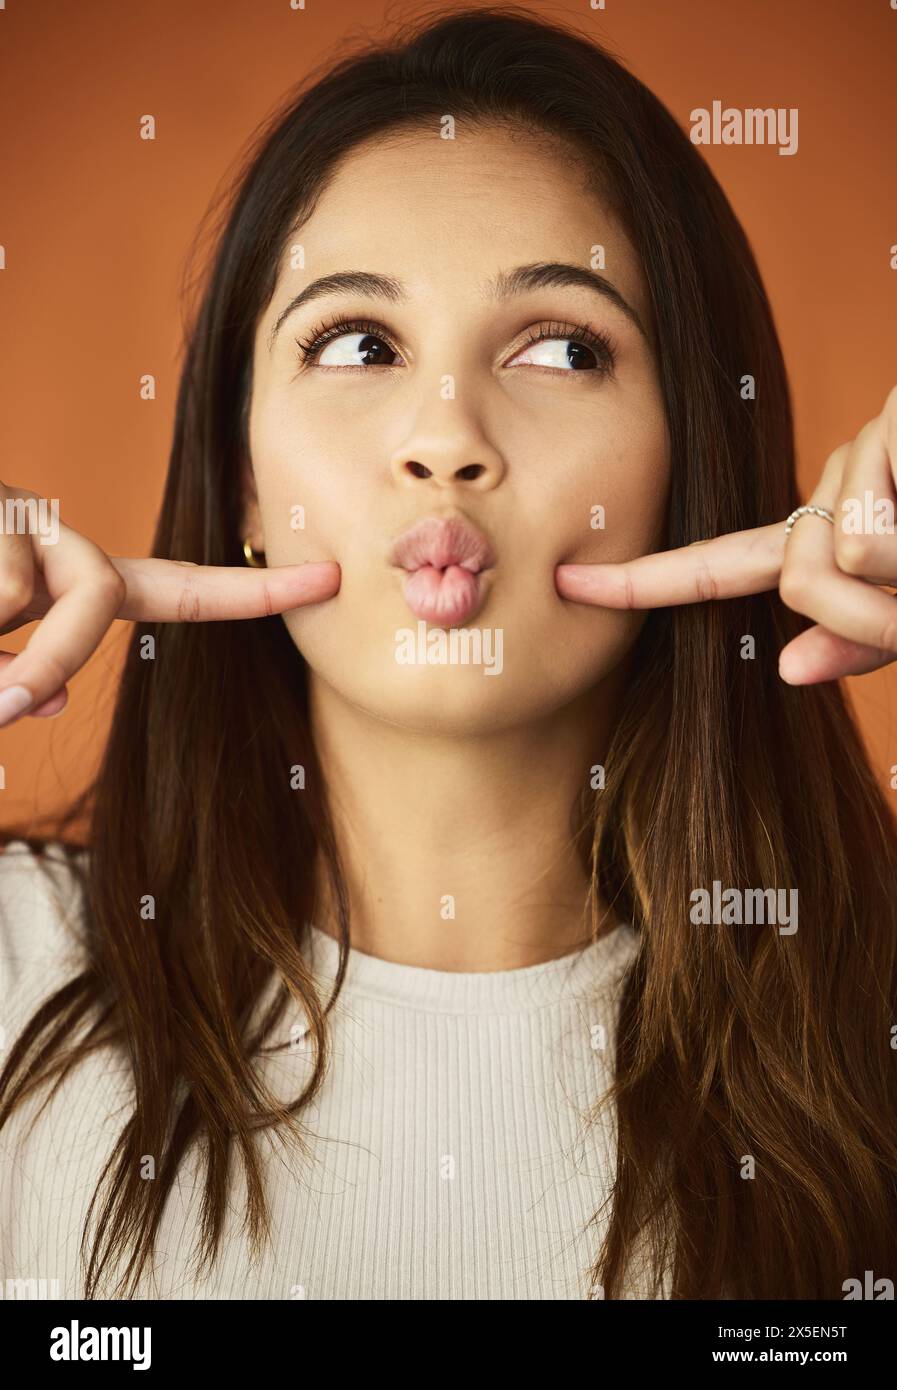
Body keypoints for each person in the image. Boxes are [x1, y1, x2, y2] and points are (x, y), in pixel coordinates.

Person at [1, 6, 895, 1301]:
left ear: (687, 468)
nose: (444, 435)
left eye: (561, 347)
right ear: (240, 484)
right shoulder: (24, 964)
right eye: (356, 343)